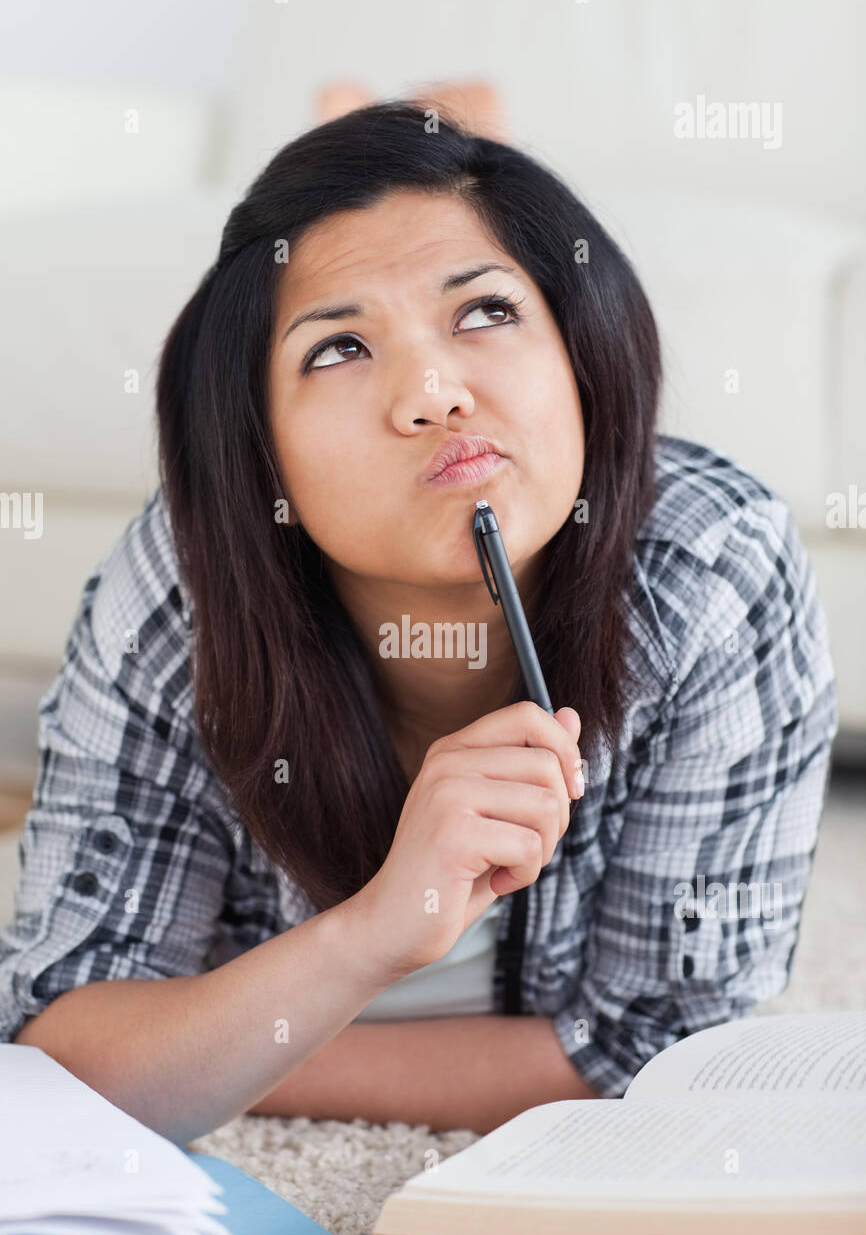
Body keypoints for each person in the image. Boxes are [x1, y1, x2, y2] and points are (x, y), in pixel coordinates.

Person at [2, 100, 837, 1145]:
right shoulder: (179, 592)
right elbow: (63, 1053)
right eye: (338, 348)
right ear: (263, 460)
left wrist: (234, 1049)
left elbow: (660, 1055)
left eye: (483, 312)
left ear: (582, 356)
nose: (434, 393)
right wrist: (370, 936)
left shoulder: (712, 571)